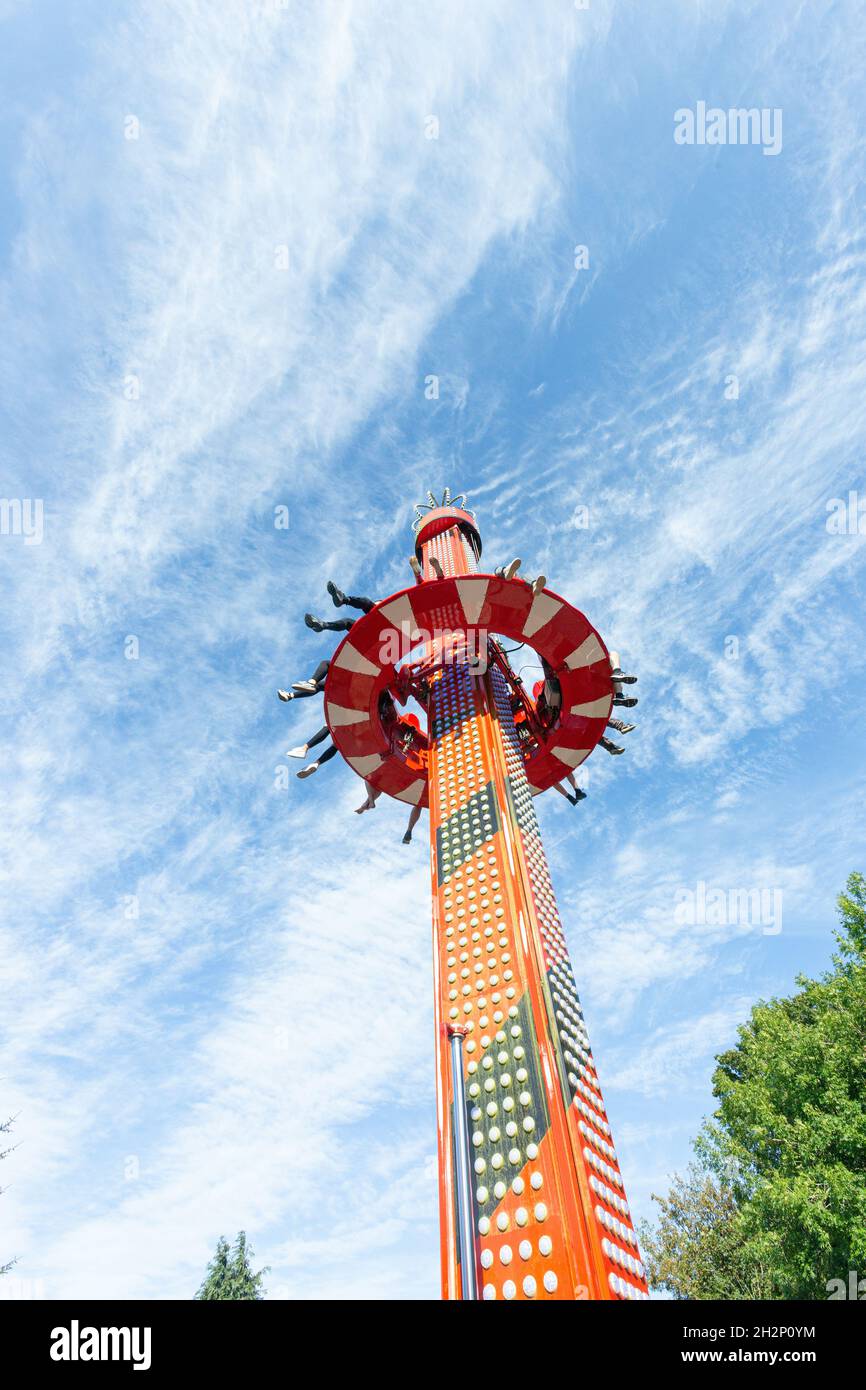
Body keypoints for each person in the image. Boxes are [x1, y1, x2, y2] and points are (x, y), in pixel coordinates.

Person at [305, 581, 375, 634]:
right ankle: (323, 625)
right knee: (367, 604)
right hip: (371, 631)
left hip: (372, 633)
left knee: (348, 621)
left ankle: (324, 625)